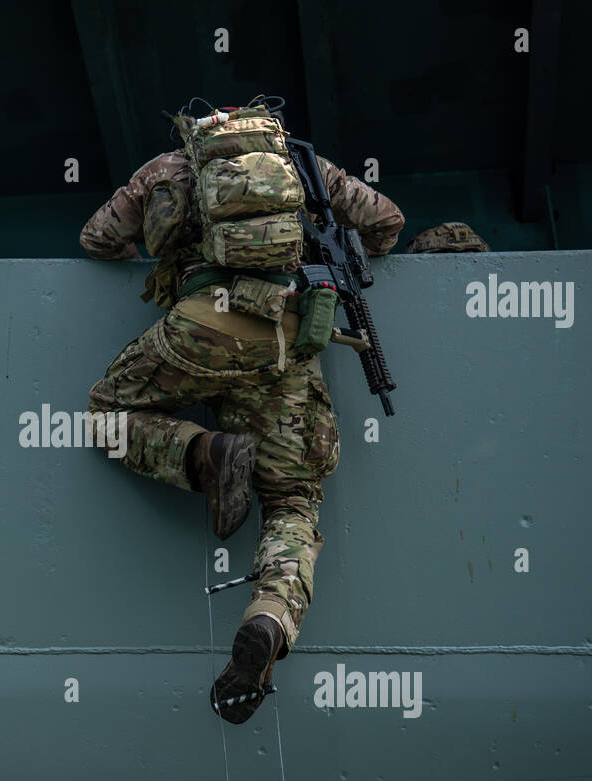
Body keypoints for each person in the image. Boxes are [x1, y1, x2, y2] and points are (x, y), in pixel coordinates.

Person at [80, 99, 405, 723]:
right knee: (292, 501)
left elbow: (97, 239)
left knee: (105, 413)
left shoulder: (168, 168)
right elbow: (387, 223)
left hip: (201, 331)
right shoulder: (305, 167)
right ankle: (269, 619)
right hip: (286, 341)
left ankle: (204, 453)